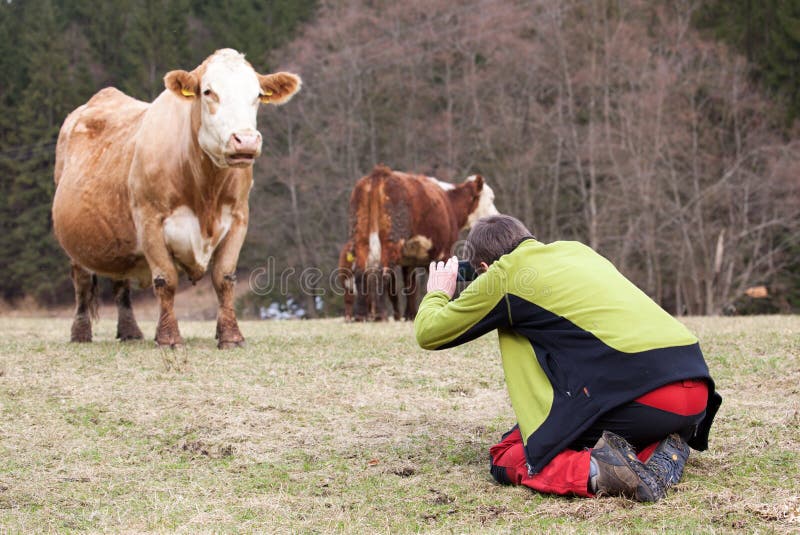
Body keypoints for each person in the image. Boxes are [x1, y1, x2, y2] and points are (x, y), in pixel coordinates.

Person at [414, 214, 721, 501]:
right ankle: (656, 450)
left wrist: (439, 291)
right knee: (584, 424)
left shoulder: (504, 276)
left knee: (509, 453)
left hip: (643, 399)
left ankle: (599, 471)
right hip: (696, 394)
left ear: (484, 268)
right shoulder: (579, 252)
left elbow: (429, 332)